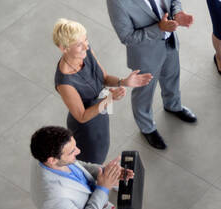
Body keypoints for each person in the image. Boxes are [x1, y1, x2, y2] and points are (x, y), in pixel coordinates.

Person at [105, 0, 197, 151]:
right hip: (146, 55)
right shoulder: (117, 0)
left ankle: (173, 106)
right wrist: (159, 28)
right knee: (144, 92)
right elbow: (126, 37)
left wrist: (178, 13)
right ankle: (147, 127)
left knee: (172, 75)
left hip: (170, 40)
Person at [51, 19, 149, 168]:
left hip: (99, 111)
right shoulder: (64, 81)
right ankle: (98, 179)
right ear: (63, 48)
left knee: (103, 147)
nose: (86, 45)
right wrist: (109, 99)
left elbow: (103, 78)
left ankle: (101, 174)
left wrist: (124, 82)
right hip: (86, 126)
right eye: (79, 44)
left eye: (86, 40)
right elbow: (82, 116)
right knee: (91, 157)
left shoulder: (86, 52)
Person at [29, 125, 132, 209]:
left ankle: (101, 205)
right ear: (52, 160)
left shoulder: (46, 156)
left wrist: (104, 171)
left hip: (85, 202)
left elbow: (79, 166)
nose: (78, 151)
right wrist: (103, 188)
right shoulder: (52, 199)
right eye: (72, 151)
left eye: (75, 146)